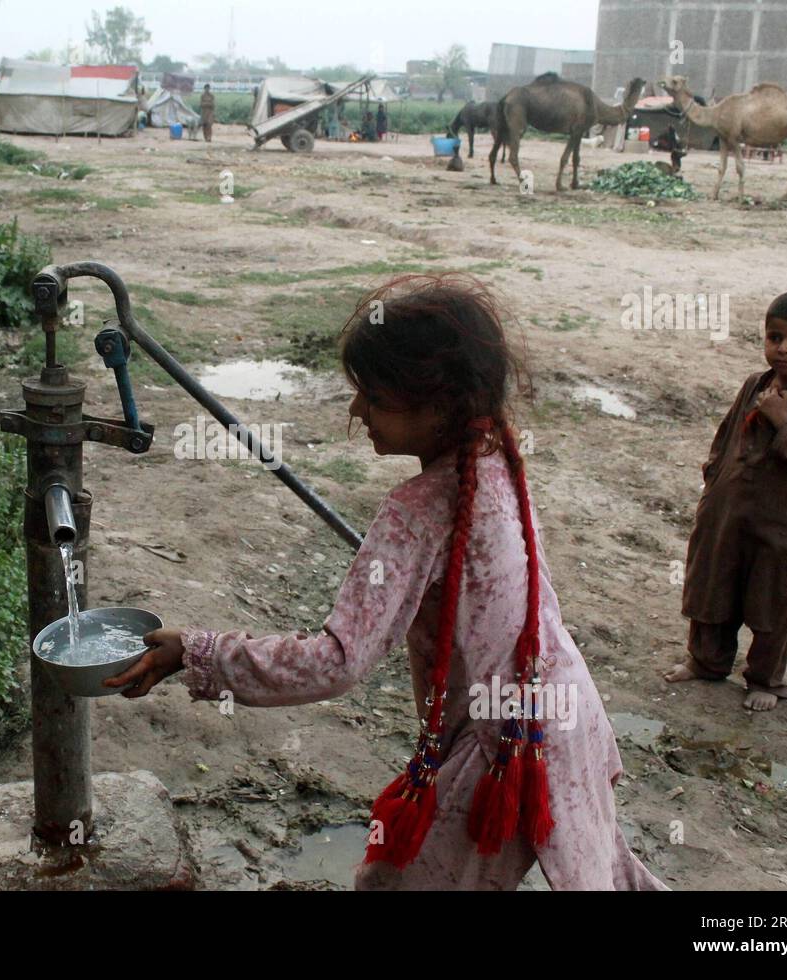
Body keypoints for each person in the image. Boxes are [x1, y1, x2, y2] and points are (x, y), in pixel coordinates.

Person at [107, 275, 667, 891]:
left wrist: (198, 651)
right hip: (564, 714)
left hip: (502, 752)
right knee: (607, 875)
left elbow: (336, 662)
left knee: (392, 884)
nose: (355, 412)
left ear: (440, 405)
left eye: (372, 398)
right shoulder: (497, 455)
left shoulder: (415, 513)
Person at [665, 291, 787, 711]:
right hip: (726, 511)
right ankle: (706, 661)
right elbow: (726, 435)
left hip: (780, 524)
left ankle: (765, 680)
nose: (782, 348)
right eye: (774, 337)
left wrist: (782, 420)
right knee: (713, 585)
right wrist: (713, 480)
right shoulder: (755, 384)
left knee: (772, 602)